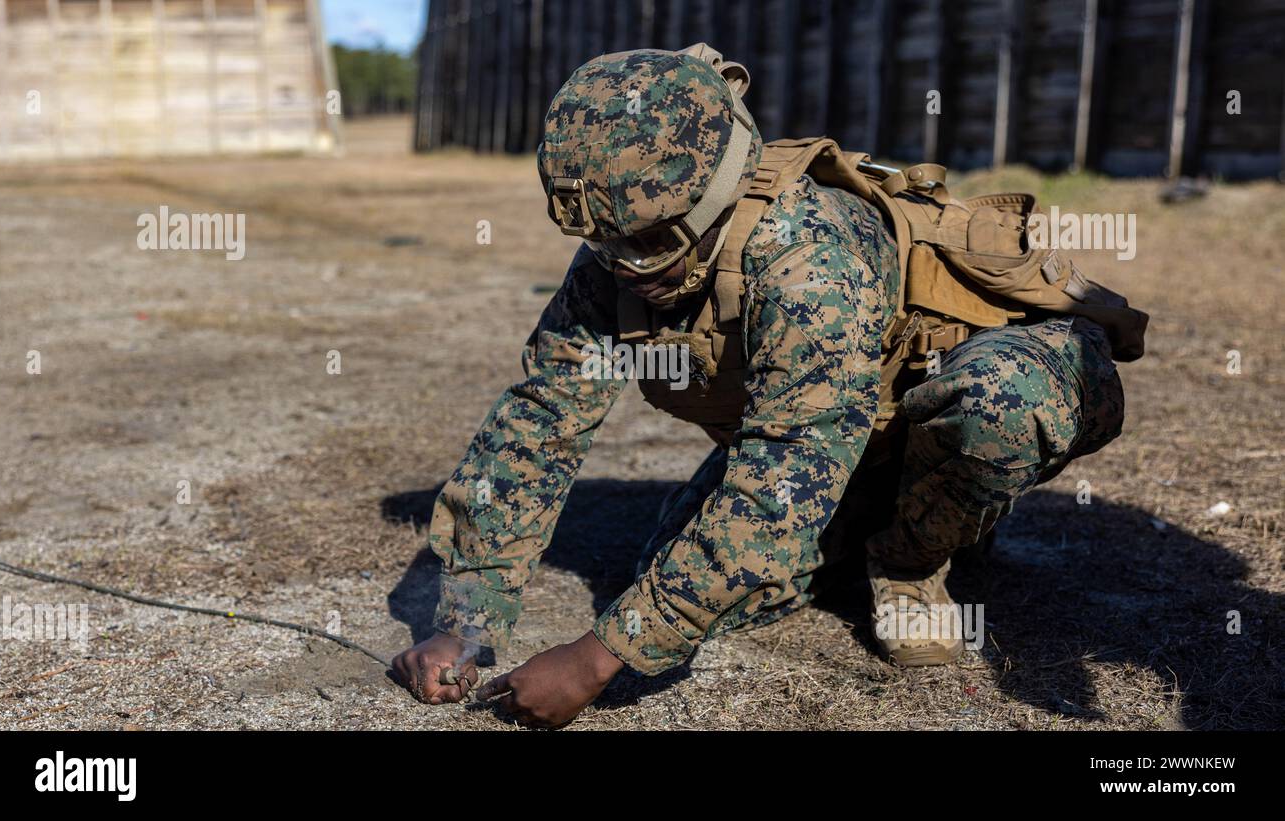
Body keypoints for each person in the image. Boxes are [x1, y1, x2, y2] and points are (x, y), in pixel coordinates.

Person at [391, 44, 1131, 728]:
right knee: (677, 583)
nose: (625, 267)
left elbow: (775, 486)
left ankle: (911, 560)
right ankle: (871, 518)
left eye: (650, 243)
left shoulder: (805, 258)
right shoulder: (620, 260)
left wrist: (594, 659)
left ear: (715, 197)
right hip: (837, 435)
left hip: (974, 391)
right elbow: (537, 424)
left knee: (999, 407)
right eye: (605, 243)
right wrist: (466, 618)